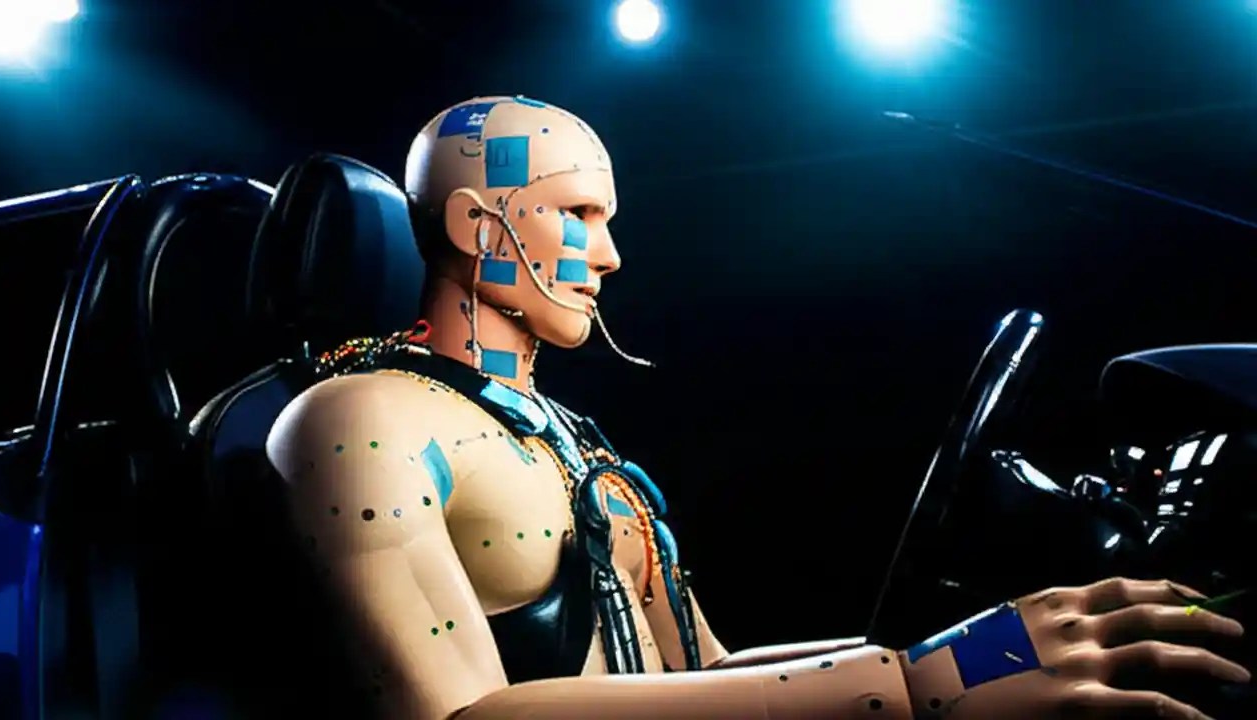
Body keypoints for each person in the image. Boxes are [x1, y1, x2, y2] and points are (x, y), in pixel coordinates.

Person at [265, 96, 1250, 719]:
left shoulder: (571, 442)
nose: (608, 256)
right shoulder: (359, 424)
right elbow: (458, 714)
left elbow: (704, 677)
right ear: (474, 226)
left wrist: (986, 651)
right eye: (577, 215)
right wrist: (908, 689)